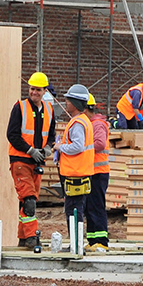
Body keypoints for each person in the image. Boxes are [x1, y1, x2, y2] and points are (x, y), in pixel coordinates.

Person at [6, 71, 56, 250]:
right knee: (29, 200)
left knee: (26, 200)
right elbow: (12, 135)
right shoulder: (20, 107)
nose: (34, 92)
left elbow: (51, 134)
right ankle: (32, 237)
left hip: (36, 162)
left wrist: (48, 147)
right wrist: (30, 150)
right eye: (32, 89)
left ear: (44, 91)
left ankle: (23, 237)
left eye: (38, 90)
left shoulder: (49, 110)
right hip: (20, 160)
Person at [55, 84, 95, 245]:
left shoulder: (78, 123)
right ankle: (76, 244)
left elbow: (77, 146)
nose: (66, 102)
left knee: (73, 211)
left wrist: (60, 147)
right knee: (76, 209)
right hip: (80, 173)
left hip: (75, 174)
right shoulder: (82, 121)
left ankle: (76, 245)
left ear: (75, 103)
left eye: (68, 100)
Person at [83, 93, 110, 252]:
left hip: (98, 172)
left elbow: (99, 144)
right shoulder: (92, 123)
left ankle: (101, 241)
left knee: (97, 206)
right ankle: (93, 239)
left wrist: (82, 147)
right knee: (90, 207)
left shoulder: (97, 124)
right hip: (92, 171)